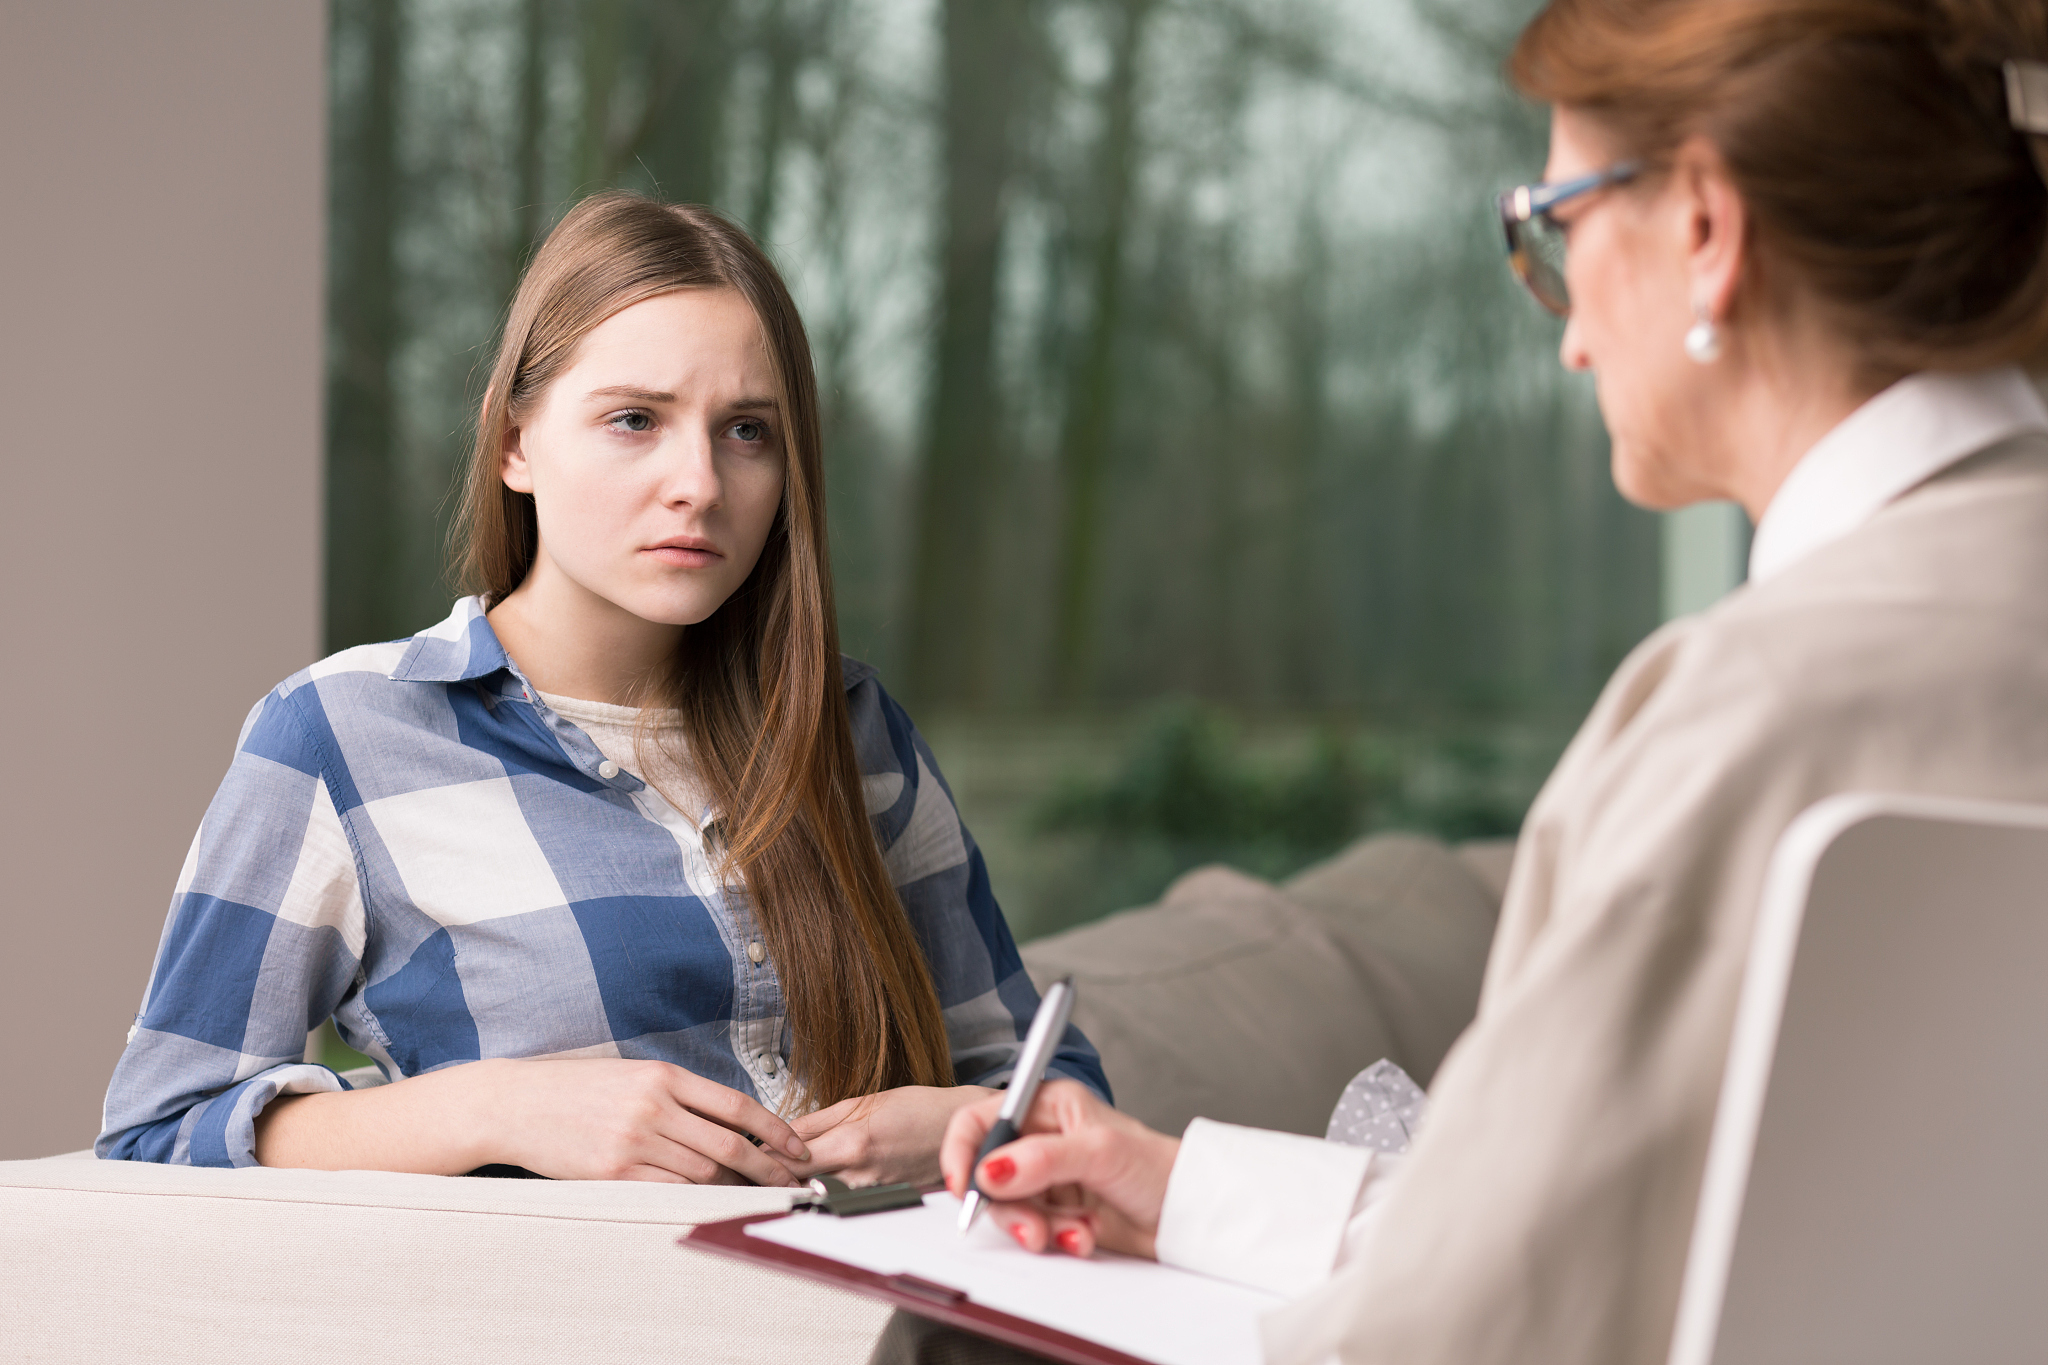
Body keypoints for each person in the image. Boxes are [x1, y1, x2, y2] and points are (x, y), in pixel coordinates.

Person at [890, 0, 2048, 1361]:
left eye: (1553, 224)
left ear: (1704, 231)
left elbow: (1471, 1335)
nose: (1564, 336)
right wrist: (1188, 1190)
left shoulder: (1752, 714)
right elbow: (1629, 1238)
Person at [97, 193, 1107, 1185]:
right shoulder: (339, 735)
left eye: (747, 431)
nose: (700, 484)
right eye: (634, 419)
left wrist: (962, 1127)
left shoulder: (850, 731)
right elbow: (158, 1132)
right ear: (513, 444)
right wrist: (490, 1108)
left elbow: (1053, 1091)